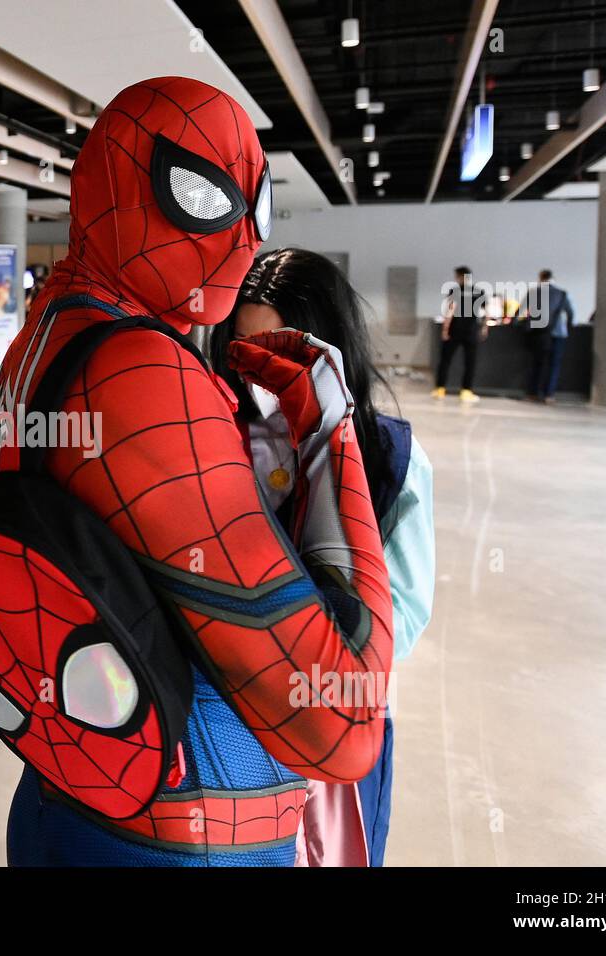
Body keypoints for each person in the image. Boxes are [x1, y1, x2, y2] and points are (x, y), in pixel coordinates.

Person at [0, 77, 393, 866]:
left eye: (257, 207)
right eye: (202, 193)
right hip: (184, 833)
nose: (245, 241)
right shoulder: (141, 371)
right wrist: (331, 432)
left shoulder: (45, 336)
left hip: (71, 791)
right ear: (112, 183)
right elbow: (339, 717)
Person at [211, 249, 436, 866]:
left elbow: (406, 614)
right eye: (242, 349)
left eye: (279, 352)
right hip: (226, 723)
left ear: (325, 344)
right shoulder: (211, 438)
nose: (261, 377)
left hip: (332, 721)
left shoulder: (392, 457)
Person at [433, 265, 485, 403]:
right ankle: (466, 392)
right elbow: (487, 311)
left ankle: (440, 389)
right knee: (470, 363)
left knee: (445, 360)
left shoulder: (454, 291)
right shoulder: (479, 291)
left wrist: (445, 330)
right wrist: (484, 328)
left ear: (461, 276)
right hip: (471, 331)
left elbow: (450, 311)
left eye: (456, 276)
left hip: (454, 331)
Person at [522, 269, 575, 404]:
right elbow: (570, 313)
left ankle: (533, 392)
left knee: (537, 363)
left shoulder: (534, 292)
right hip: (558, 333)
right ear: (553, 278)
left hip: (539, 333)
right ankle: (549, 394)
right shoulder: (562, 294)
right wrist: (568, 327)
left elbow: (521, 310)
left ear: (540, 278)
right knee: (554, 365)